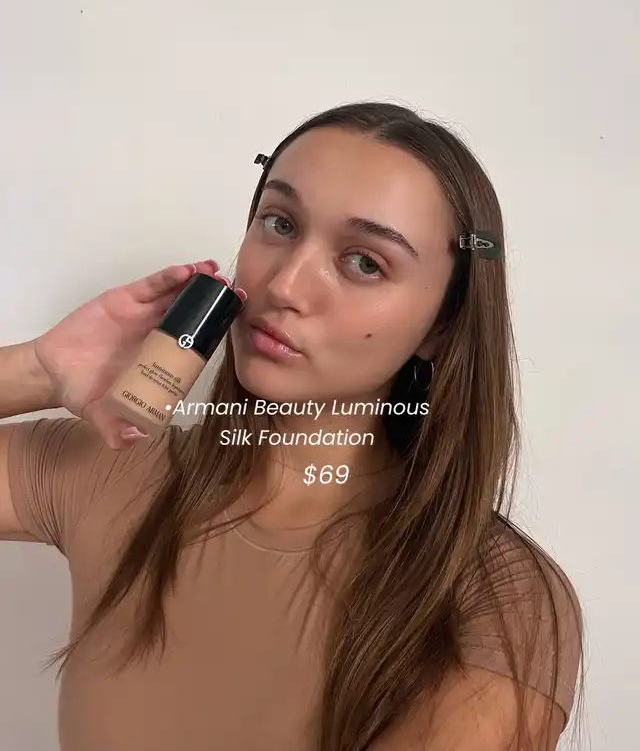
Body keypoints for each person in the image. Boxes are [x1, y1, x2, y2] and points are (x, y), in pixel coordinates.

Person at [0, 101, 584, 751]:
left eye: (365, 262)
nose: (285, 284)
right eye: (279, 223)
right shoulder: (112, 468)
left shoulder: (494, 595)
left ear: (442, 325)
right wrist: (37, 369)